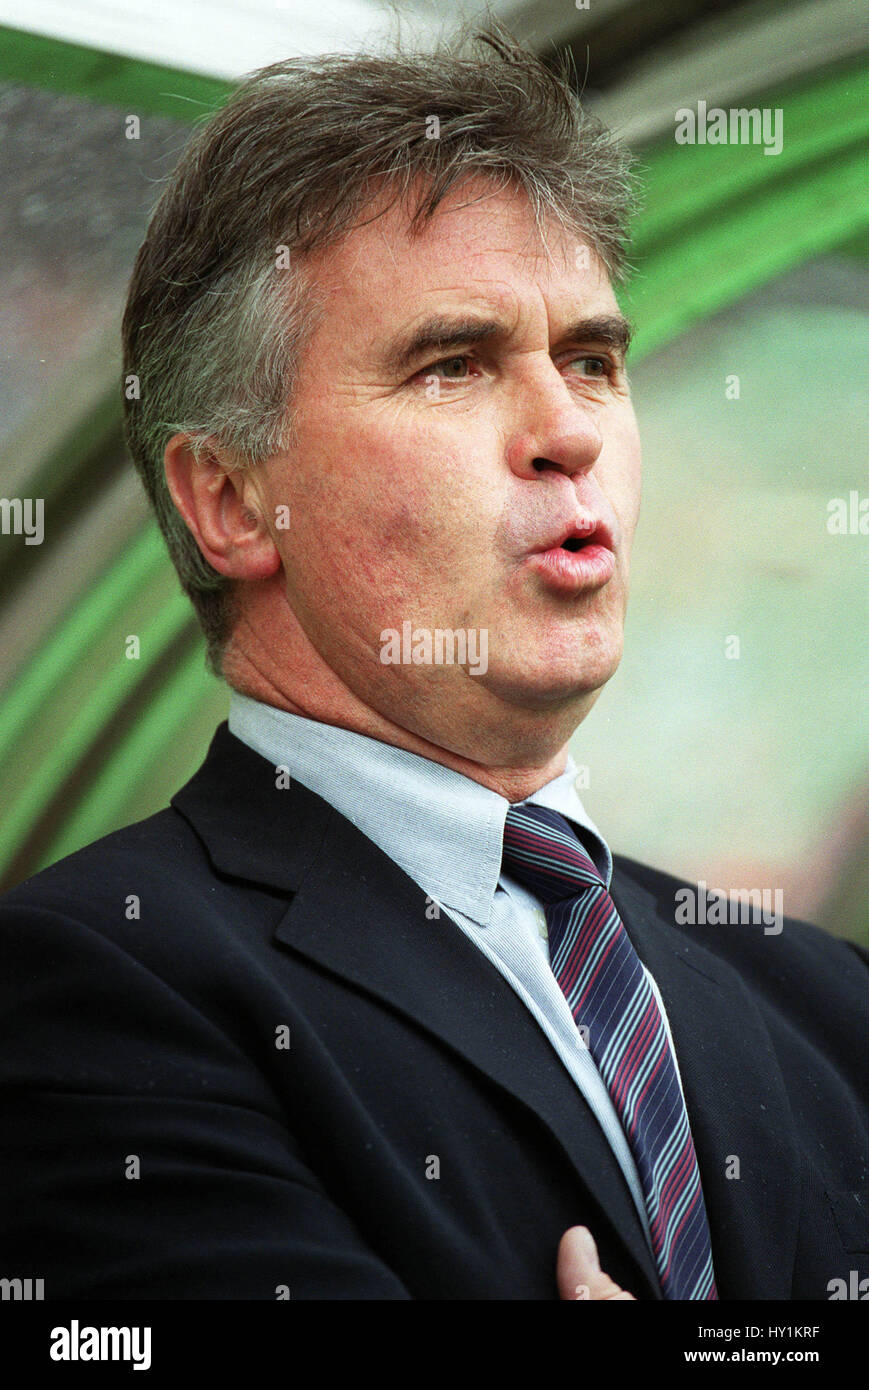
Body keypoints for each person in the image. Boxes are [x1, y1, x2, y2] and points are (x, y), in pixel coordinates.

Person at [1, 25, 867, 1302]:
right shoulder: (91, 985)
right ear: (232, 501)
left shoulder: (821, 998)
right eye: (451, 366)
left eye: (591, 358)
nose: (568, 428)